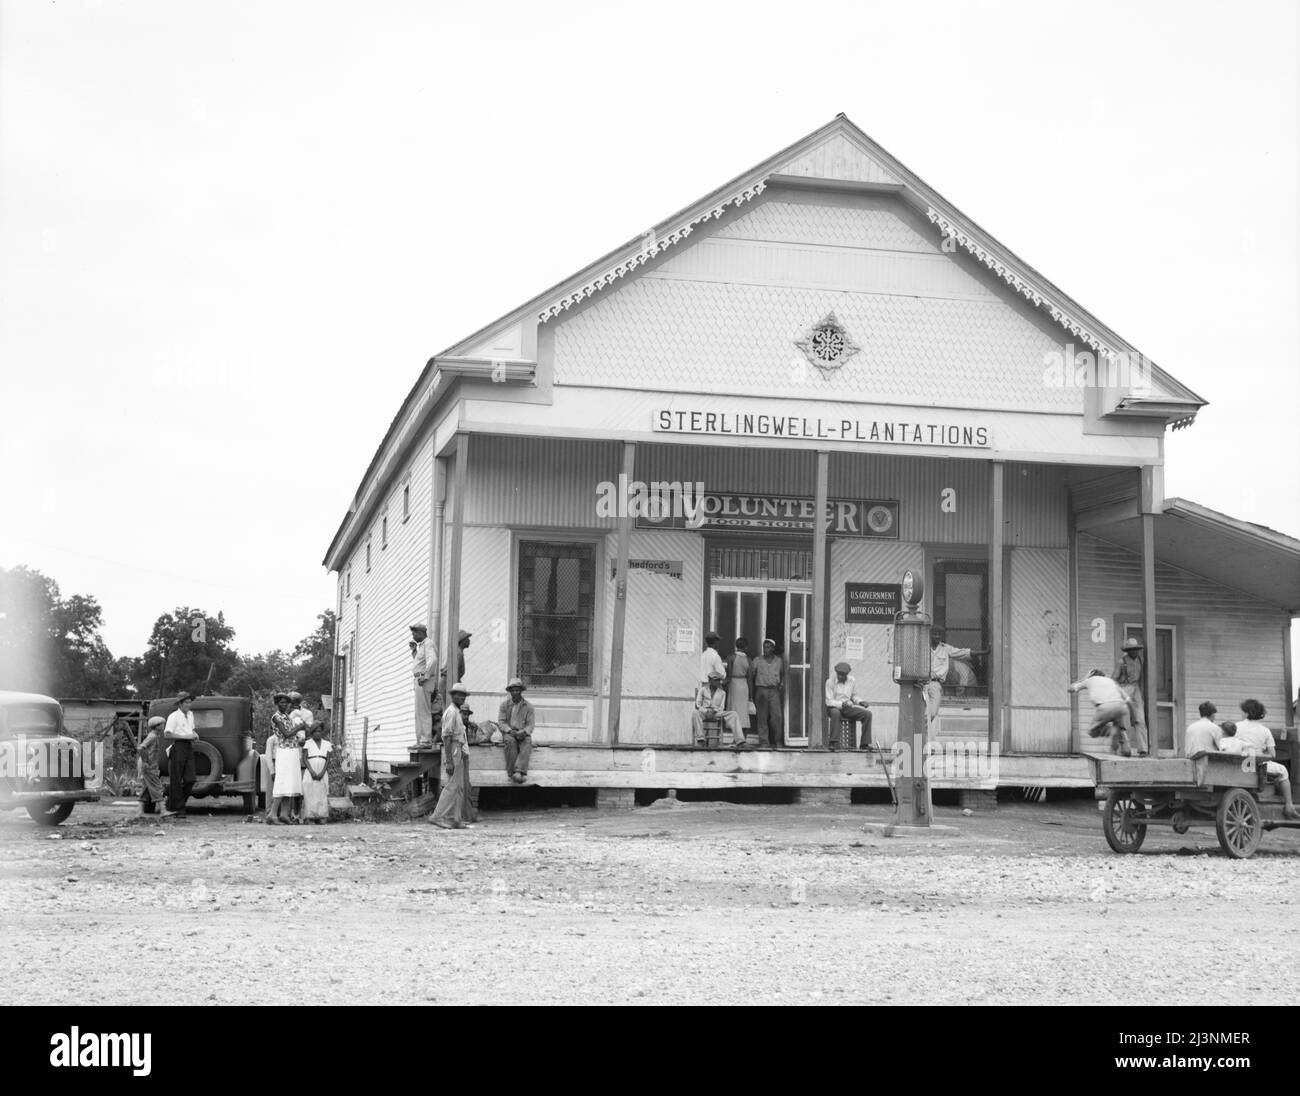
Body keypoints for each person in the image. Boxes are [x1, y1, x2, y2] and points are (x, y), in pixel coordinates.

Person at [1233, 699, 1300, 819]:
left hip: (1238, 765)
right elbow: (1272, 754)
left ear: (1247, 713)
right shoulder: (1265, 730)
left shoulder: (1236, 727)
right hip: (1257, 765)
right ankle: (1289, 805)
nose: (1241, 714)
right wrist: (1261, 750)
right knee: (1283, 770)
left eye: (1242, 711)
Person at [430, 683, 475, 829]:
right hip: (454, 749)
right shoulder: (451, 712)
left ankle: (456, 819)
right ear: (452, 696)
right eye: (458, 695)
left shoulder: (457, 712)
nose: (461, 697)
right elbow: (447, 737)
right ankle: (437, 816)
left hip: (460, 749)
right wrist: (449, 760)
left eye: (463, 695)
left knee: (460, 787)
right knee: (452, 786)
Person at [925, 628, 987, 728]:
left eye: (939, 634)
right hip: (921, 683)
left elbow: (962, 652)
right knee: (918, 711)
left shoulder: (945, 648)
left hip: (935, 684)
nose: (937, 636)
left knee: (932, 713)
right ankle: (919, 737)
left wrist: (984, 652)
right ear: (929, 635)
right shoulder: (923, 648)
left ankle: (921, 735)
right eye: (934, 634)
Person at [479, 678, 535, 783]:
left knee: (527, 742)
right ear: (510, 692)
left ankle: (520, 771)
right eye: (513, 690)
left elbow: (530, 725)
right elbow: (501, 722)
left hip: (522, 733)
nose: (515, 692)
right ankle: (511, 772)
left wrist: (524, 732)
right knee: (510, 742)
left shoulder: (528, 707)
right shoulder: (504, 705)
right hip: (509, 732)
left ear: (521, 691)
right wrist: (510, 731)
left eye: (517, 690)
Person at [1068, 670, 1133, 756]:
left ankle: (1113, 732)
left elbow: (1070, 689)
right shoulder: (1111, 681)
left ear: (1091, 676)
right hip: (1120, 706)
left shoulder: (1090, 680)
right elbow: (1128, 700)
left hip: (1105, 707)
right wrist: (1131, 715)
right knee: (1120, 728)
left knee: (1092, 731)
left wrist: (1084, 679)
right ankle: (1125, 750)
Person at [266, 691, 304, 824]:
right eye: (282, 702)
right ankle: (272, 814)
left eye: (287, 703)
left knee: (291, 783)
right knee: (282, 782)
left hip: (292, 751)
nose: (285, 705)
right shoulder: (276, 717)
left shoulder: (287, 717)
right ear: (277, 704)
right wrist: (299, 727)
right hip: (283, 751)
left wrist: (299, 739)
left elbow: (293, 736)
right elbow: (286, 734)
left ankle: (284, 814)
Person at [163, 692, 199, 817]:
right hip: (178, 746)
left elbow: (191, 729)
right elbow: (167, 734)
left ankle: (173, 804)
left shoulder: (190, 715)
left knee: (191, 779)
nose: (188, 705)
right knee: (176, 779)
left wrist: (194, 734)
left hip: (188, 747)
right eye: (186, 702)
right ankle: (179, 808)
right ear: (180, 704)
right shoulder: (173, 716)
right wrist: (185, 736)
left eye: (190, 702)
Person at [1113, 637, 1149, 756]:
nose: (1135, 651)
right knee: (1125, 722)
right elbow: (1113, 680)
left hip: (1136, 689)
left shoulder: (1141, 660)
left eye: (1136, 649)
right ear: (1128, 651)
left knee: (1140, 720)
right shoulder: (1121, 662)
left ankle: (1143, 749)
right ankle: (1126, 749)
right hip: (1124, 689)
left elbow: (1142, 678)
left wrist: (1142, 693)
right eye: (1132, 649)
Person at [825, 661, 872, 750]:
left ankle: (864, 744)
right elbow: (829, 701)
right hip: (833, 708)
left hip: (847, 708)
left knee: (867, 714)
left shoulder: (852, 680)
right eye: (839, 674)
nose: (840, 676)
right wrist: (842, 704)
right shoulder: (829, 682)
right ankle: (833, 743)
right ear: (836, 673)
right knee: (836, 713)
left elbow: (854, 696)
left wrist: (861, 702)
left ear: (847, 674)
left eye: (842, 675)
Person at [749, 638, 785, 748]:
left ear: (773, 648)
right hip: (761, 690)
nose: (766, 649)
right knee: (762, 717)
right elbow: (751, 677)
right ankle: (764, 742)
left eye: (769, 647)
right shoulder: (757, 660)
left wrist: (781, 685)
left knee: (776, 717)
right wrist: (751, 695)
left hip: (774, 691)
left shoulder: (778, 661)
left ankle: (778, 740)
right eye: (765, 646)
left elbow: (782, 674)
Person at [692, 670, 744, 747]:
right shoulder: (703, 690)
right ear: (710, 680)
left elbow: (722, 707)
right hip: (704, 712)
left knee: (734, 714)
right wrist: (706, 711)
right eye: (715, 680)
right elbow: (698, 704)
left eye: (719, 680)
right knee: (695, 713)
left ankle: (740, 741)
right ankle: (701, 739)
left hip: (716, 713)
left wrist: (714, 711)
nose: (718, 682)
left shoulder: (722, 693)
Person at [409, 623, 439, 746]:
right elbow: (420, 663)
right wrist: (414, 651)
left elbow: (433, 661)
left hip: (423, 682)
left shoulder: (428, 643)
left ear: (421, 633)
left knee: (423, 711)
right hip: (419, 681)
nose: (413, 635)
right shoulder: (422, 646)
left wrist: (425, 676)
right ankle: (421, 739)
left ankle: (426, 739)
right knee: (419, 711)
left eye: (414, 633)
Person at [300, 723, 332, 823]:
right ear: (312, 733)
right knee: (309, 790)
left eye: (319, 731)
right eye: (315, 731)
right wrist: (311, 771)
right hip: (311, 769)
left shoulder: (327, 744)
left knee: (321, 791)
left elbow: (328, 760)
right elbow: (305, 758)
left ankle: (320, 816)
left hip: (322, 769)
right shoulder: (308, 743)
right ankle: (309, 816)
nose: (318, 734)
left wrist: (322, 772)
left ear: (322, 732)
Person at [137, 715, 167, 814]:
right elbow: (141, 748)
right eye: (162, 724)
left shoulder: (155, 736)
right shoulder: (152, 736)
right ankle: (163, 811)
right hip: (149, 767)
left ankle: (140, 812)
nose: (164, 726)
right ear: (157, 726)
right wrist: (145, 761)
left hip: (150, 766)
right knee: (157, 787)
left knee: (146, 789)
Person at [725, 637, 752, 744]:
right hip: (744, 685)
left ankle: (736, 738)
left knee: (734, 711)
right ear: (746, 647)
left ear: (736, 646)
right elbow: (750, 678)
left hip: (734, 684)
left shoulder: (731, 657)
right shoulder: (749, 659)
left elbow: (729, 674)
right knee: (744, 711)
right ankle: (743, 737)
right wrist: (751, 695)